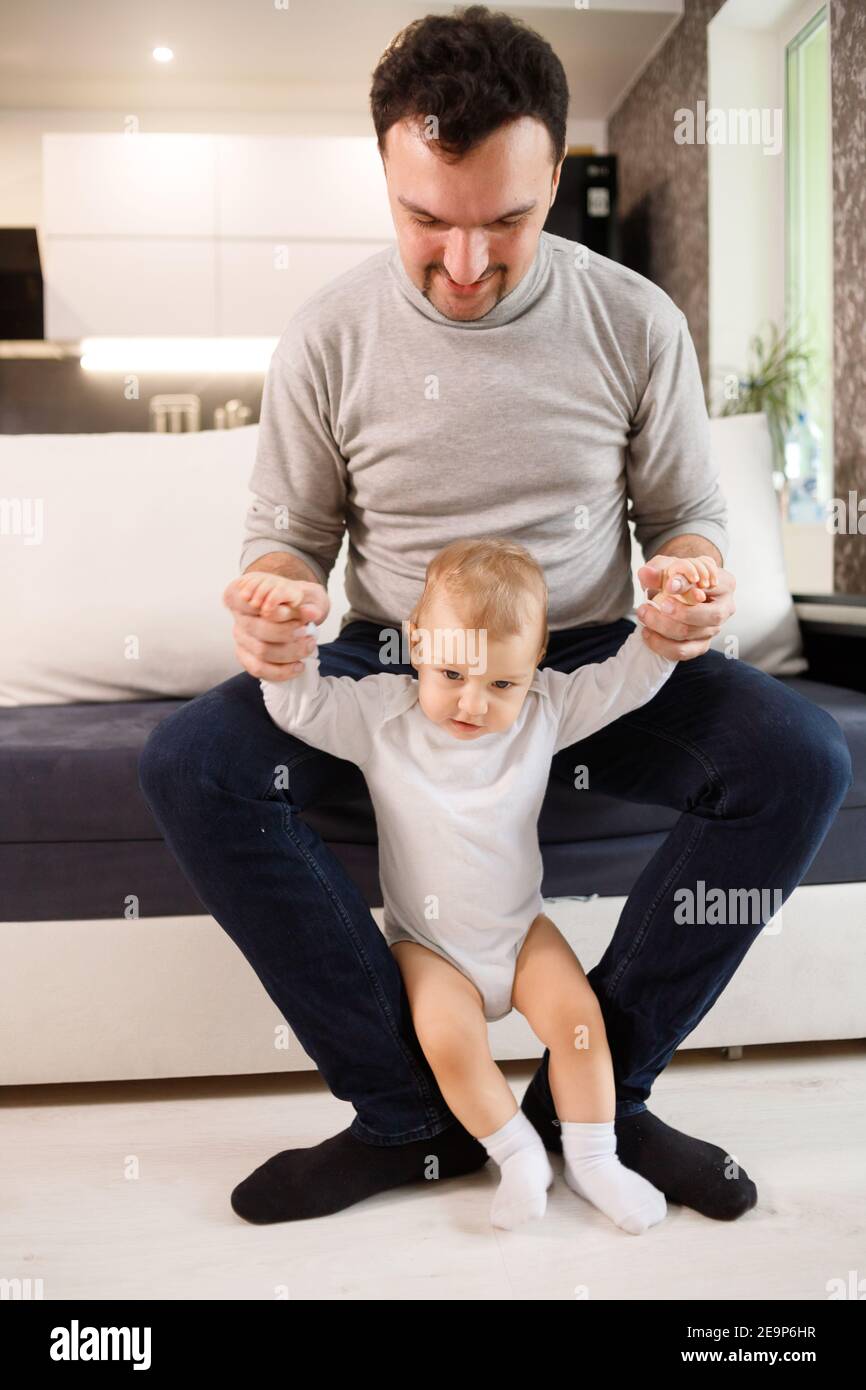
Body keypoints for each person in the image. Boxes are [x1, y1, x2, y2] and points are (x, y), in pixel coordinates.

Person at [138, 5, 853, 1226]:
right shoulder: (327, 333)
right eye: (425, 220)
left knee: (797, 758)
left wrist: (685, 576)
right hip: (398, 661)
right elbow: (289, 537)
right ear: (385, 175)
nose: (464, 265)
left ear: (554, 178)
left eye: (506, 223)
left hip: (583, 656)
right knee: (193, 761)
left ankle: (600, 1102)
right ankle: (407, 1118)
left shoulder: (632, 320)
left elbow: (686, 511)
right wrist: (277, 600)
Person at [243, 539, 716, 1232]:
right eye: (451, 673)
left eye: (502, 683)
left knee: (581, 1027)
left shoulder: (545, 709)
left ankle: (593, 1159)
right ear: (416, 642)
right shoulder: (381, 715)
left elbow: (628, 680)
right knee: (450, 1044)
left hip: (522, 932)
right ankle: (515, 1151)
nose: (473, 701)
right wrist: (287, 645)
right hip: (427, 944)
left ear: (536, 661)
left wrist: (670, 617)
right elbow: (303, 708)